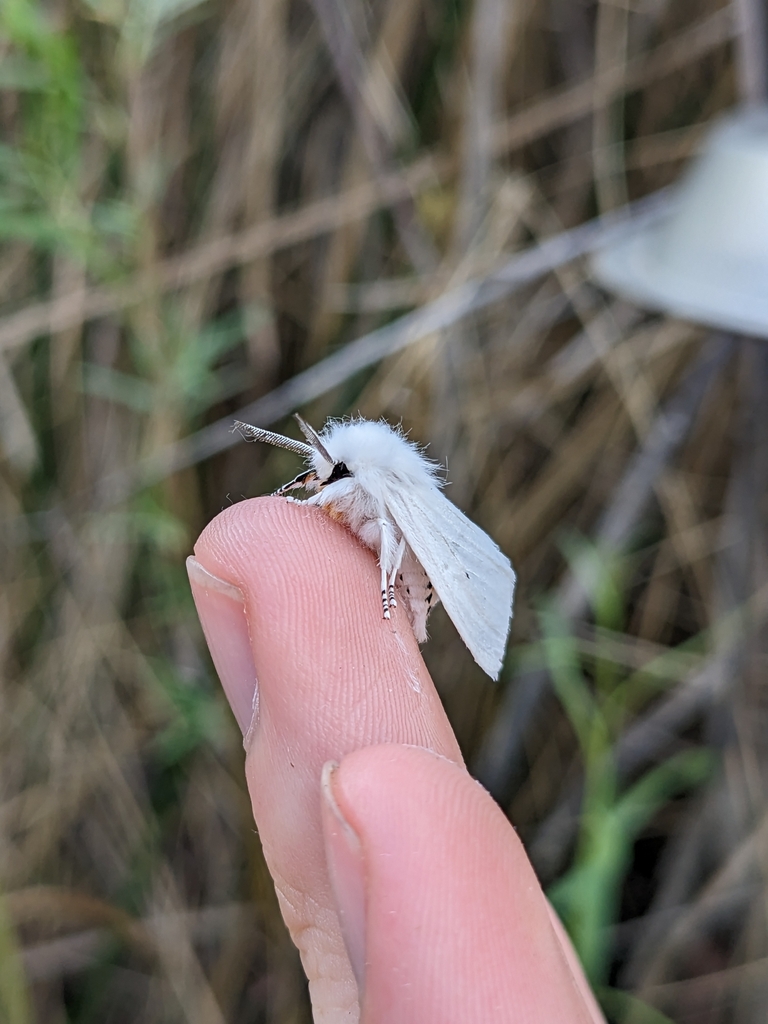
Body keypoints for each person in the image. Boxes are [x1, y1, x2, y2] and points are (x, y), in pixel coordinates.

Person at [187, 497, 604, 1023]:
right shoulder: (353, 484)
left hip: (409, 574)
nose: (318, 492)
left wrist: (388, 592)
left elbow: (381, 527)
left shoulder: (374, 490)